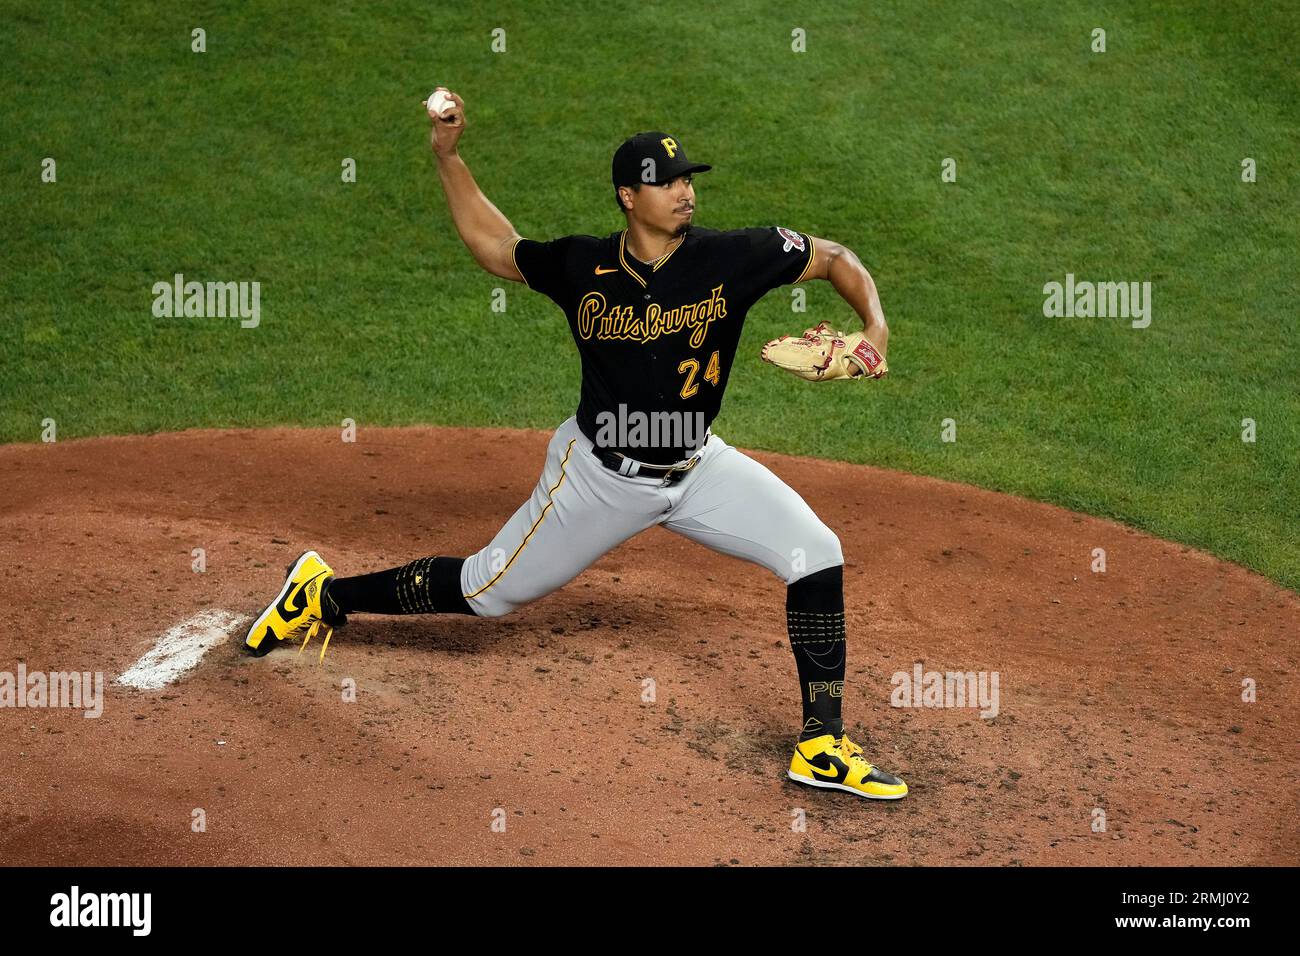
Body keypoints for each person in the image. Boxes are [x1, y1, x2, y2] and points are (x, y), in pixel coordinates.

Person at [243, 88, 906, 800]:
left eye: (688, 179)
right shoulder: (582, 266)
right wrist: (449, 157)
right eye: (666, 182)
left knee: (817, 553)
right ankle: (322, 594)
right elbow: (494, 247)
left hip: (697, 465)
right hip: (599, 477)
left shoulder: (732, 257)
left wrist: (874, 330)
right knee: (486, 590)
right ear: (628, 195)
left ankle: (822, 744)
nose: (684, 193)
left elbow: (834, 255)